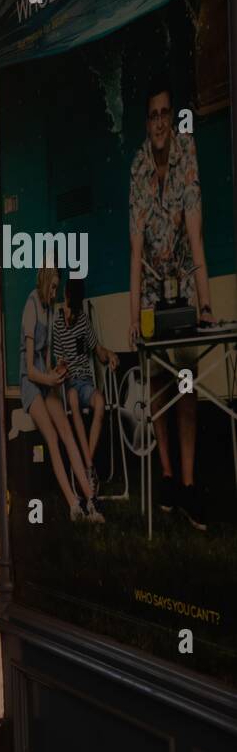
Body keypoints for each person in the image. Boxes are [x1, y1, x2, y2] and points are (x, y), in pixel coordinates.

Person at [128, 76, 214, 531]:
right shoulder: (138, 167)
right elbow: (136, 252)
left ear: (171, 116)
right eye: (153, 115)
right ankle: (164, 476)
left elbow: (196, 236)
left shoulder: (186, 155)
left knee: (186, 383)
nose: (160, 121)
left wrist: (204, 305)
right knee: (158, 382)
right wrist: (130, 319)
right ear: (147, 123)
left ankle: (188, 483)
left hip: (181, 282)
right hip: (149, 291)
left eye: (166, 112)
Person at [21, 264, 103, 523]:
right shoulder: (31, 308)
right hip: (31, 382)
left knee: (67, 431)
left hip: (46, 379)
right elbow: (32, 370)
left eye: (58, 288)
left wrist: (58, 371)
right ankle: (73, 505)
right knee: (53, 439)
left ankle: (91, 501)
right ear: (44, 282)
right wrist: (49, 378)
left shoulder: (48, 308)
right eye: (53, 287)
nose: (56, 293)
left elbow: (46, 361)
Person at [53, 276, 118, 493]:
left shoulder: (83, 320)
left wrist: (109, 354)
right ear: (67, 296)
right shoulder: (58, 322)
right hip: (70, 384)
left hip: (86, 382)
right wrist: (61, 366)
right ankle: (88, 468)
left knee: (100, 401)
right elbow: (58, 360)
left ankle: (87, 466)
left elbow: (97, 350)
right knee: (72, 398)